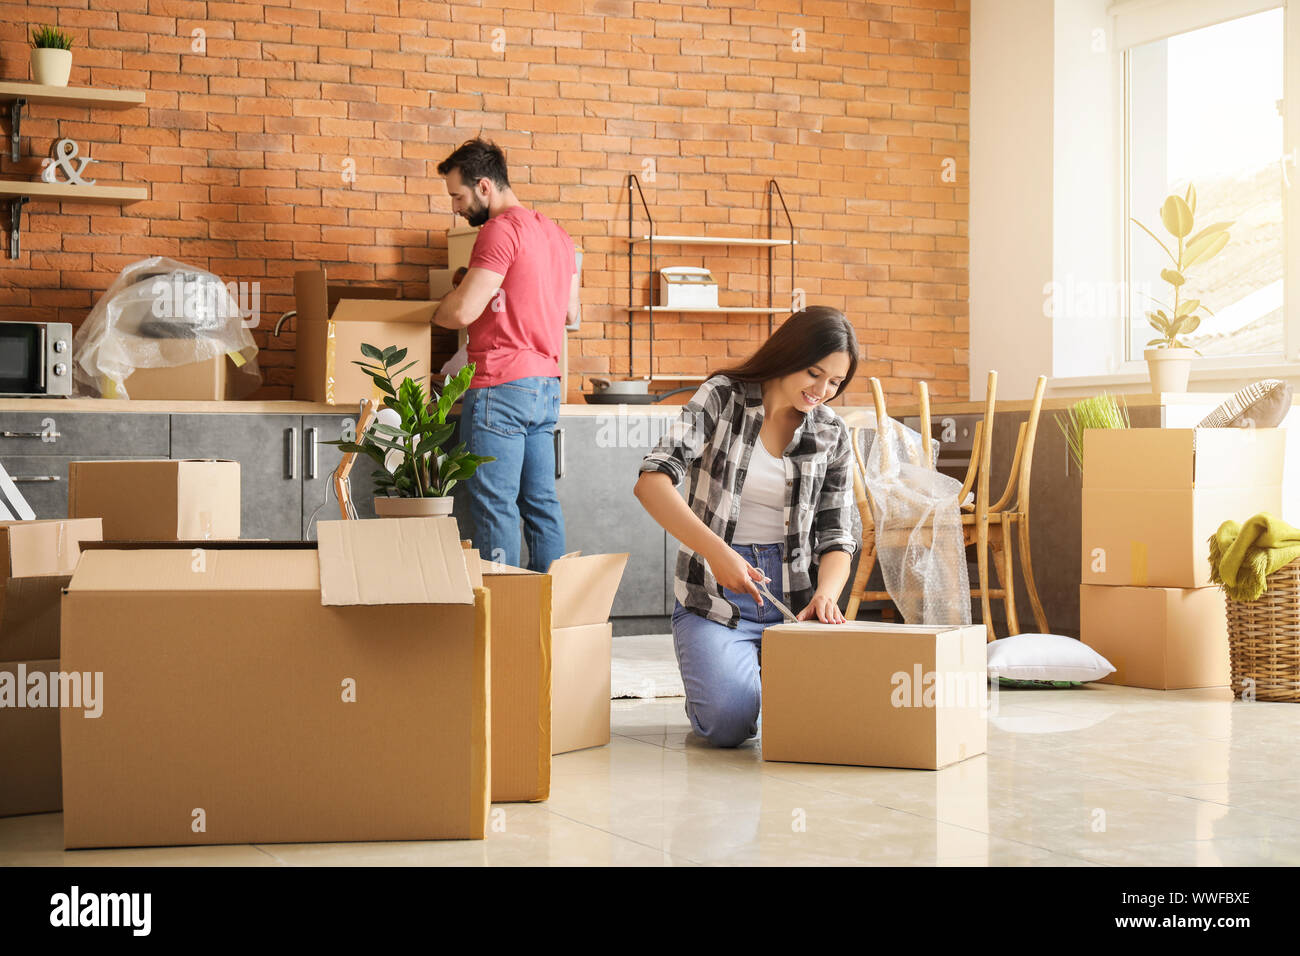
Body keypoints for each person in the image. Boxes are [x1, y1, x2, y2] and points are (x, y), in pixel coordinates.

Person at [633, 307, 862, 748]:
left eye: (834, 382)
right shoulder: (723, 397)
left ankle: (759, 674)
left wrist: (826, 595)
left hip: (794, 603)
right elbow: (652, 482)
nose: (821, 391)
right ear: (788, 354)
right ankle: (724, 677)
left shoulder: (831, 432)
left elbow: (837, 534)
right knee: (728, 724)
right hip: (716, 595)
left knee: (821, 723)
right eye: (814, 373)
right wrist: (718, 553)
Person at [432, 138, 579, 572]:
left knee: (495, 506)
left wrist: (434, 308)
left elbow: (461, 310)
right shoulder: (558, 235)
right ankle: (549, 615)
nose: (456, 207)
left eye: (457, 196)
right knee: (540, 505)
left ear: (483, 186)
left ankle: (503, 617)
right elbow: (571, 314)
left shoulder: (500, 230)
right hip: (545, 388)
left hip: (500, 386)